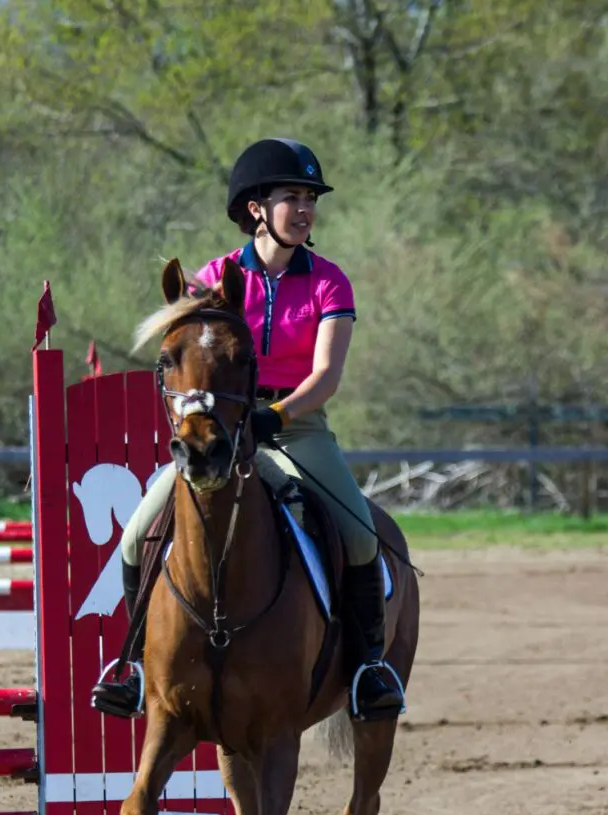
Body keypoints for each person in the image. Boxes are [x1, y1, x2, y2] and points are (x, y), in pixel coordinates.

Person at [93, 138, 404, 722]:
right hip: (220, 427)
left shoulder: (330, 283)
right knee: (136, 536)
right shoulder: (215, 276)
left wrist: (277, 415)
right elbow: (185, 353)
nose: (306, 208)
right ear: (256, 207)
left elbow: (326, 375)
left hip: (297, 429)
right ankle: (132, 666)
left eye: (311, 198)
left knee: (362, 536)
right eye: (293, 197)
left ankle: (368, 669)